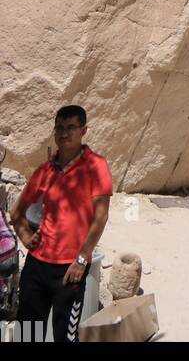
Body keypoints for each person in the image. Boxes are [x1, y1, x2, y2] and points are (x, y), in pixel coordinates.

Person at [10, 105, 112, 342]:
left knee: (65, 337)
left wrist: (81, 259)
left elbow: (101, 217)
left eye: (71, 128)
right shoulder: (45, 171)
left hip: (70, 270)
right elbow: (17, 213)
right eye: (59, 128)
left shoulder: (96, 166)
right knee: (28, 335)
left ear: (84, 130)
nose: (64, 133)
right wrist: (25, 236)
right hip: (37, 266)